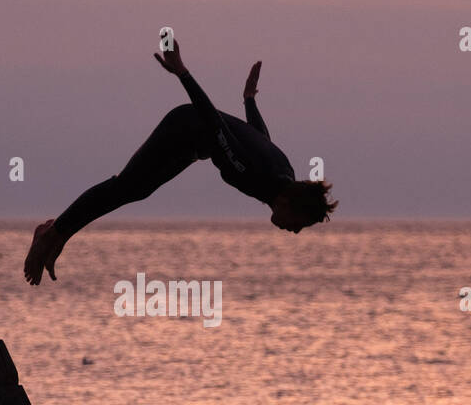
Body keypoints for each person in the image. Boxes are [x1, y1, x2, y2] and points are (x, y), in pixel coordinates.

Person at [24, 39, 337, 284]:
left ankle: (59, 233)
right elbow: (216, 125)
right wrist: (183, 73)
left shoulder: (284, 173)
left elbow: (260, 138)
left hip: (195, 143)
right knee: (127, 187)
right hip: (186, 128)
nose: (295, 232)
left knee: (134, 190)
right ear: (290, 205)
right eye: (299, 225)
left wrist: (249, 100)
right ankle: (52, 234)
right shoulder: (254, 174)